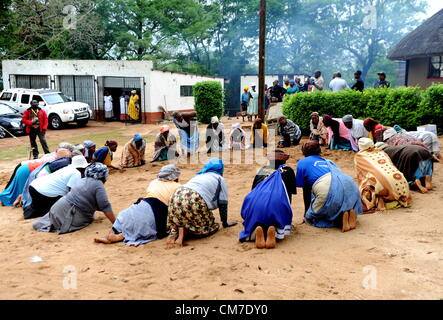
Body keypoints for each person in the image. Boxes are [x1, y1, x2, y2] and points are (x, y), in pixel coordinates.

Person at [94, 165, 181, 246]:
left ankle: (114, 233)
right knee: (147, 226)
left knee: (125, 218)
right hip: (156, 210)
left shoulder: (154, 182)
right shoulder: (177, 186)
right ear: (175, 177)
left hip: (141, 205)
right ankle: (123, 236)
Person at [166, 158, 237, 247]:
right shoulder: (220, 179)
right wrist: (225, 222)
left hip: (176, 195)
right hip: (195, 198)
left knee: (183, 214)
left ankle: (175, 230)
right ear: (220, 169)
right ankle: (187, 231)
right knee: (212, 227)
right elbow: (223, 203)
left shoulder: (199, 176)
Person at [295, 141, 362, 232]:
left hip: (325, 185)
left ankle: (339, 221)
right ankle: (348, 212)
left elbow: (304, 188)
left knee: (311, 217)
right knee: (334, 197)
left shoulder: (302, 162)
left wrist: (307, 213)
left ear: (304, 152)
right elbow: (337, 183)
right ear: (319, 151)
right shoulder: (329, 162)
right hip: (349, 183)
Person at [33, 163, 116, 234]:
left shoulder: (82, 180)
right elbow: (104, 206)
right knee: (87, 220)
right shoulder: (98, 184)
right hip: (71, 212)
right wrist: (115, 223)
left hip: (57, 209)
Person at [240, 150, 296, 248]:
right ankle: (275, 231)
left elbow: (253, 190)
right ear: (284, 160)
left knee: (258, 211)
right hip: (276, 204)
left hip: (255, 203)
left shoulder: (262, 169)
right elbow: (289, 196)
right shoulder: (289, 170)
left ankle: (258, 230)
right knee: (279, 207)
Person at [354, 138, 411, 212]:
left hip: (383, 184)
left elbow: (360, 174)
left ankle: (380, 198)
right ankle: (397, 197)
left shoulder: (359, 156)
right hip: (401, 180)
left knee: (366, 183)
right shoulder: (381, 152)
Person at [0, 149, 70, 207]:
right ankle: (6, 201)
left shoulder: (53, 157)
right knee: (22, 192)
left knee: (14, 189)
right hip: (27, 170)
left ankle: (4, 199)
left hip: (24, 167)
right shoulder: (56, 162)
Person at [26, 155, 89, 219]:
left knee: (38, 207)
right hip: (43, 192)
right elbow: (72, 193)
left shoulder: (68, 168)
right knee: (51, 211)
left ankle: (30, 212)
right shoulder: (76, 173)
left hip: (34, 185)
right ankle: (30, 214)